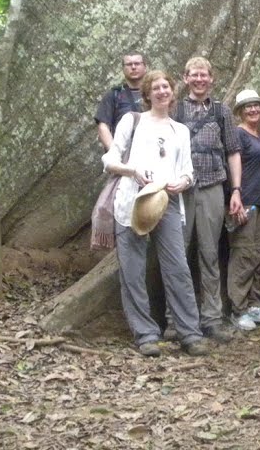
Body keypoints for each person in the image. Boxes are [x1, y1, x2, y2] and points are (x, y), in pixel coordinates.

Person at [102, 70, 210, 357]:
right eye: (156, 87)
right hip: (132, 201)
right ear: (147, 94)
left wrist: (183, 182)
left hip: (168, 201)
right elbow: (110, 159)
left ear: (172, 94)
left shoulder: (180, 130)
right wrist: (133, 170)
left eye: (166, 87)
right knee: (132, 270)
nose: (162, 91)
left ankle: (190, 333)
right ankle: (146, 334)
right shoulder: (132, 121)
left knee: (178, 267)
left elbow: (188, 170)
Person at [171, 57, 243, 343]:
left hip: (213, 186)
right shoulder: (176, 109)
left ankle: (211, 318)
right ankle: (175, 318)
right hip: (179, 189)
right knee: (177, 253)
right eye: (194, 75)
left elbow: (233, 151)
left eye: (204, 75)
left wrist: (236, 190)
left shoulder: (222, 111)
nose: (199, 79)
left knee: (209, 253)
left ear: (212, 79)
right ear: (185, 78)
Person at [227, 88, 260, 331]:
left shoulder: (257, 136)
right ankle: (237, 309)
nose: (253, 109)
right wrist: (235, 195)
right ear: (240, 111)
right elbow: (233, 165)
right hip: (246, 201)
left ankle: (254, 304)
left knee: (258, 255)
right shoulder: (238, 134)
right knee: (243, 255)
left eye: (256, 105)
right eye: (247, 106)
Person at [95, 52, 148, 150]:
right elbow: (103, 127)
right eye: (128, 64)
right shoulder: (114, 95)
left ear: (145, 67)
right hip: (124, 152)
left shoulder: (155, 92)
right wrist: (115, 152)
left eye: (137, 63)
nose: (133, 67)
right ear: (123, 69)